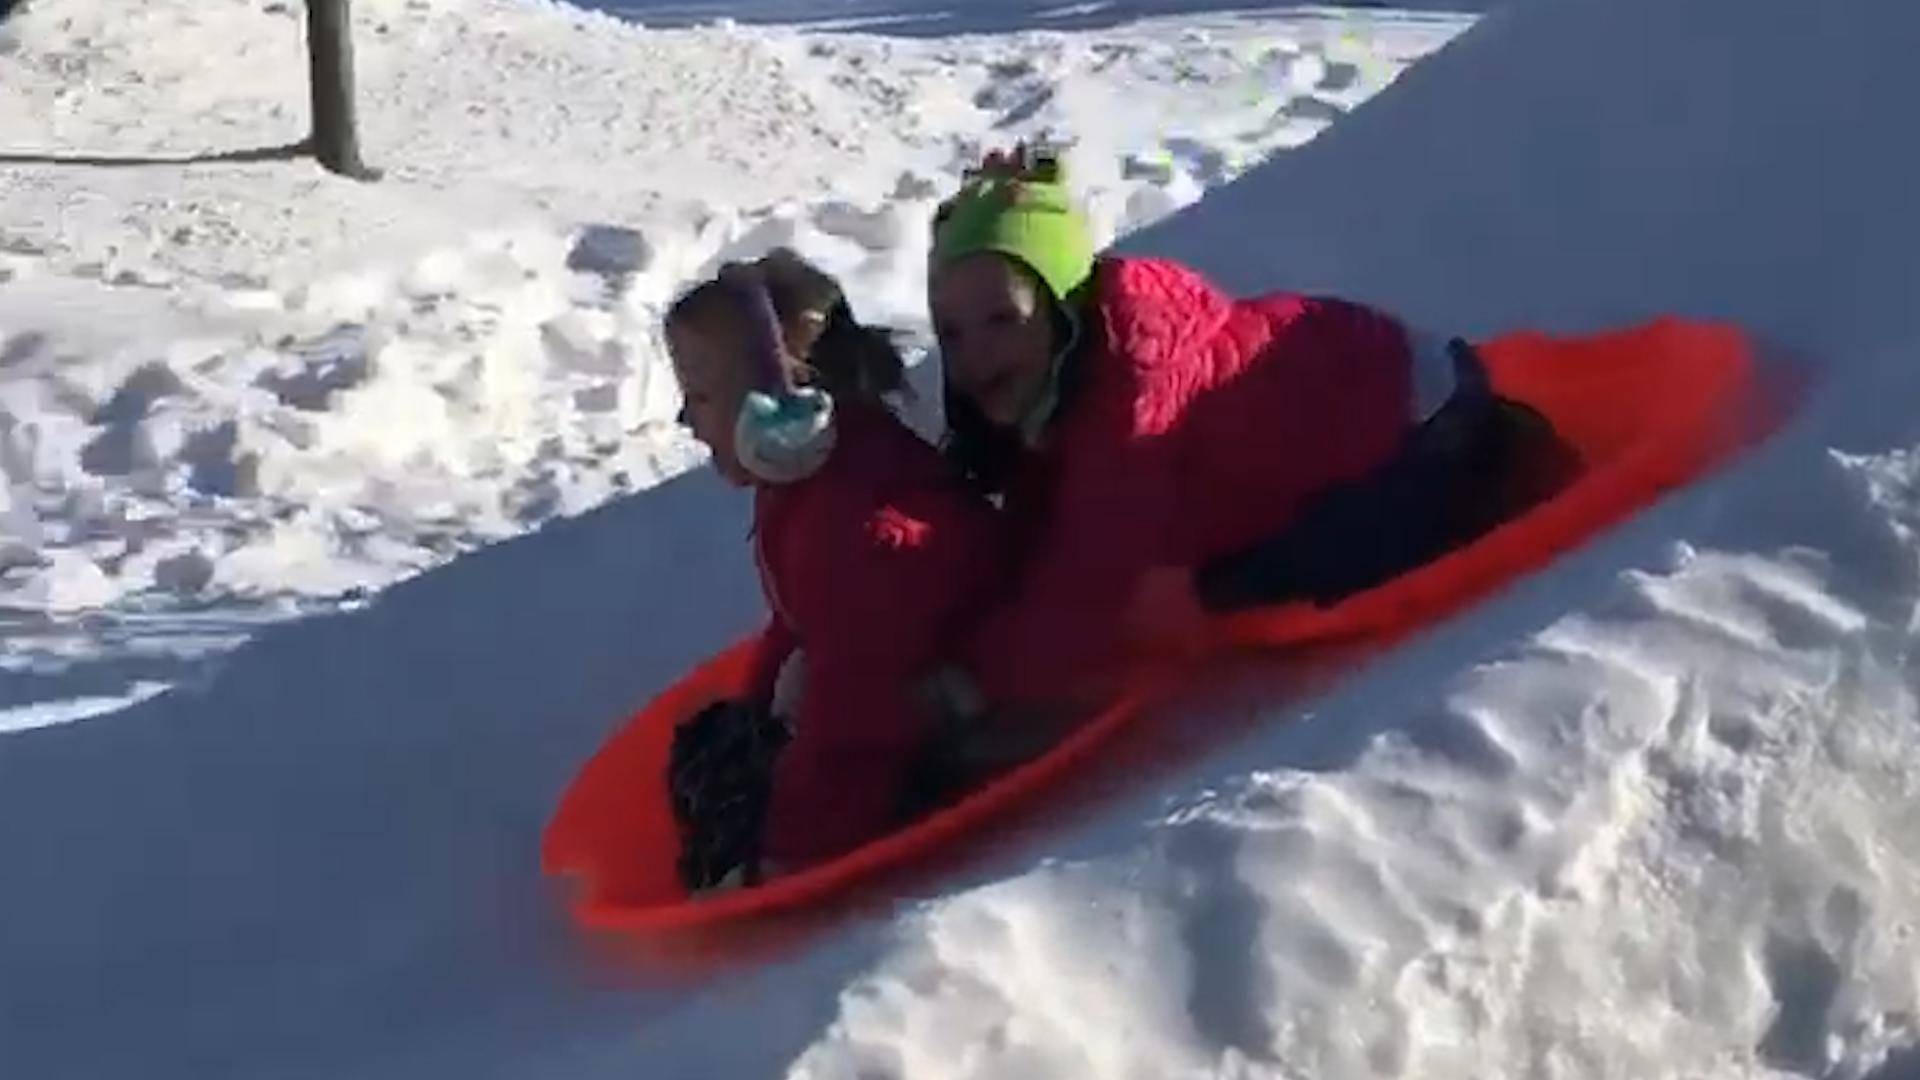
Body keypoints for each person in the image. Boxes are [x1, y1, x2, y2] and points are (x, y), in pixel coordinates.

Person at [927, 145, 1579, 712]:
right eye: (951, 333)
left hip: (1423, 421)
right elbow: (1052, 518)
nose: (972, 354)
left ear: (1062, 306)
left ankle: (1489, 469)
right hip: (1378, 392)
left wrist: (972, 686)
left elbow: (1087, 589)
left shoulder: (1131, 399)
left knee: (1250, 596)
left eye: (1000, 321)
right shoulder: (1069, 364)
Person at [661, 248, 1006, 889]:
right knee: (777, 704)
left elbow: (855, 701)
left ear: (779, 406)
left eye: (701, 395)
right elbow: (803, 621)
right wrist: (756, 716)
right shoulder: (809, 479)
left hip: (992, 683)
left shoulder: (853, 525)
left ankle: (934, 774)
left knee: (817, 707)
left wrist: (785, 850)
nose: (686, 418)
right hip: (893, 662)